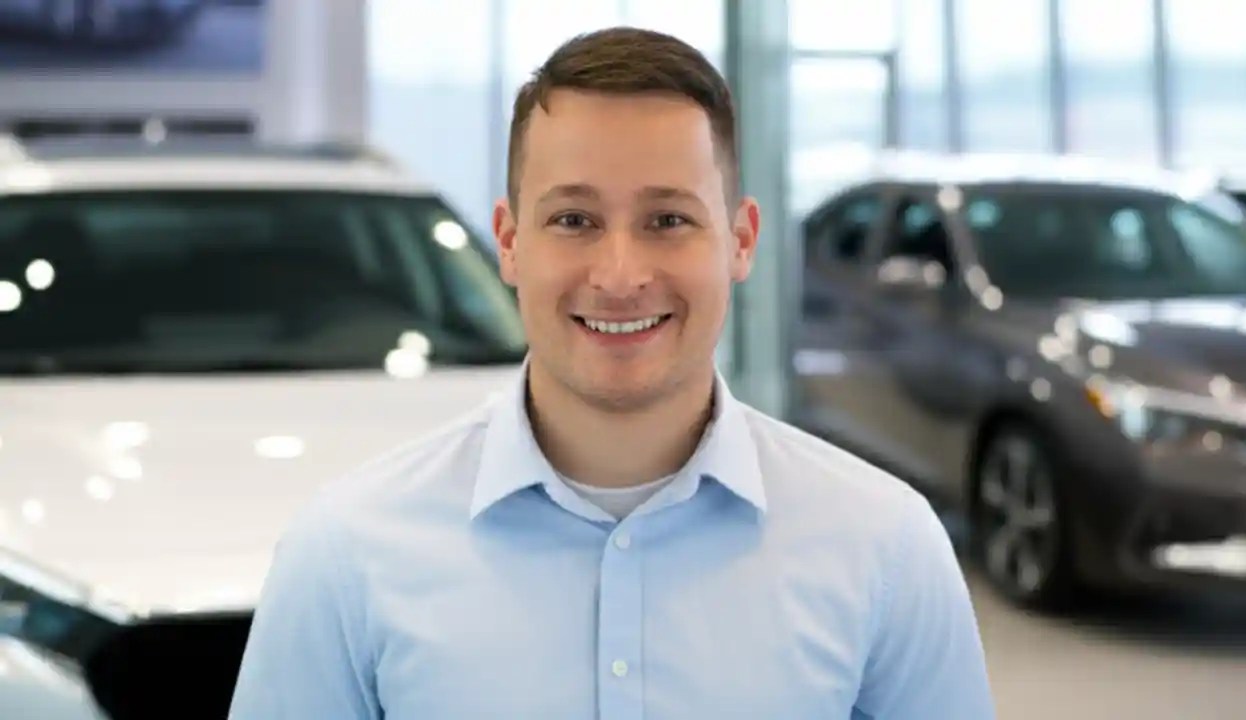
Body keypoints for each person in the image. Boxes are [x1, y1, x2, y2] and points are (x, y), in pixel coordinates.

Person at [229, 26, 995, 719]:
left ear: (739, 240)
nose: (621, 274)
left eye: (668, 219)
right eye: (574, 220)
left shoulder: (885, 546)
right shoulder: (346, 551)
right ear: (509, 240)